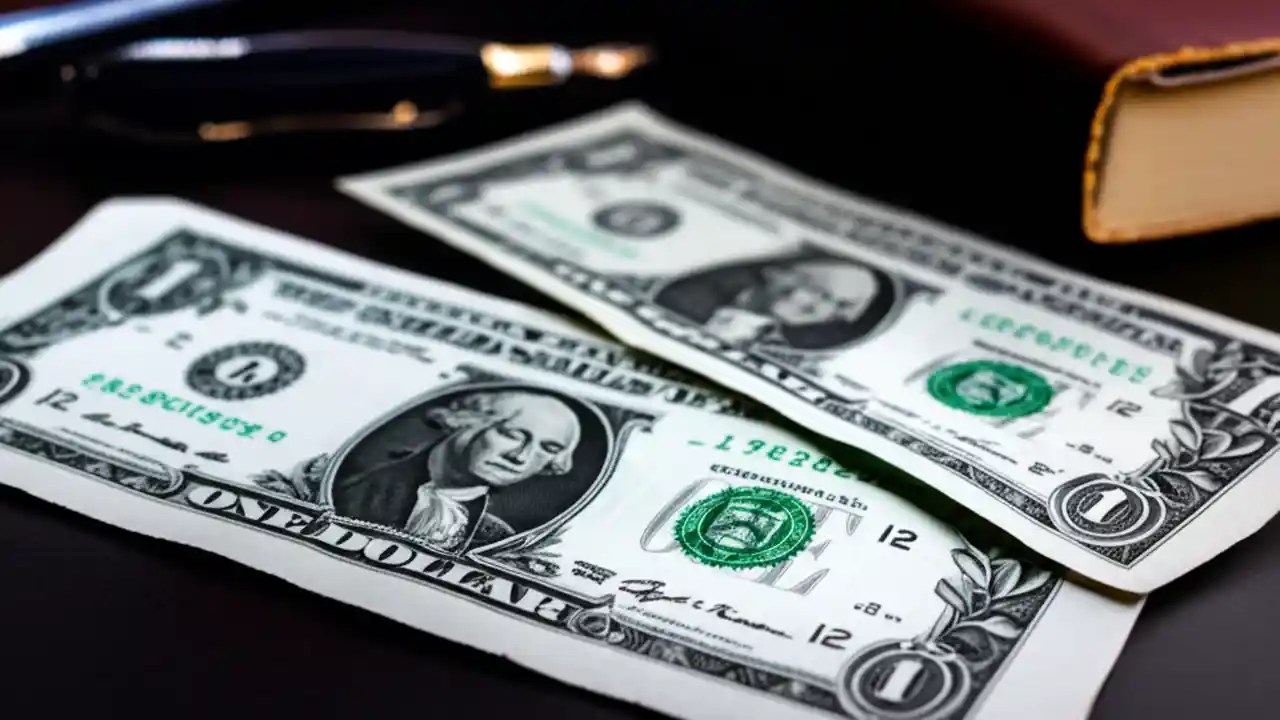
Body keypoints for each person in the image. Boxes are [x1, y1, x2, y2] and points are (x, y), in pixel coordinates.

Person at [330, 390, 582, 552]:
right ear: (467, 422)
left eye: (548, 448)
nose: (520, 457)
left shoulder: (497, 537)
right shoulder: (352, 489)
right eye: (512, 435)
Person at [656, 258, 892, 351]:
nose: (805, 296)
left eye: (839, 309)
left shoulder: (768, 341)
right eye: (820, 292)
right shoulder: (705, 285)